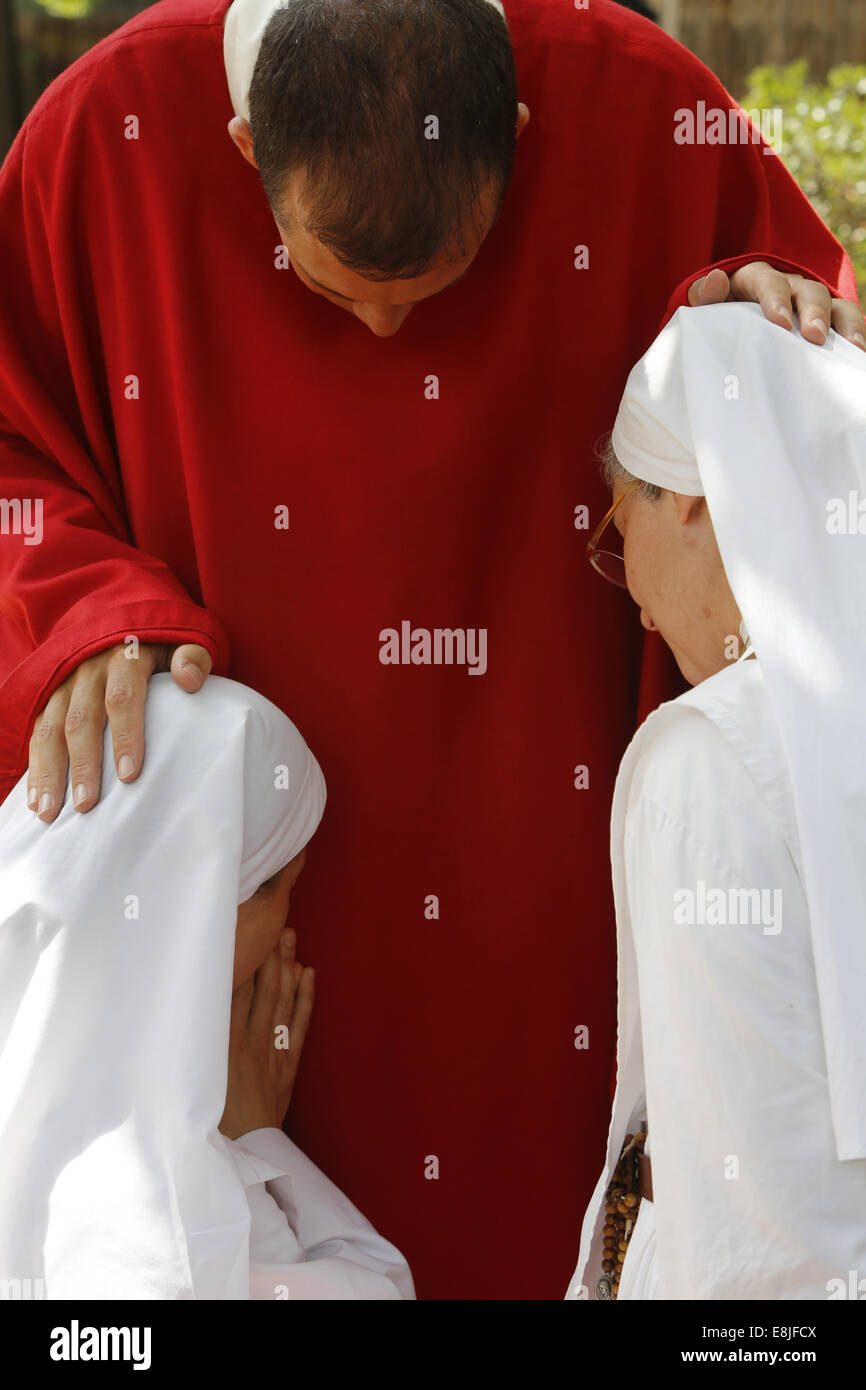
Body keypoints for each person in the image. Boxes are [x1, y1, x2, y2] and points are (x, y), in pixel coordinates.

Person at [1, 0, 864, 1298]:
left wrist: (759, 336)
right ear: (239, 143)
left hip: (563, 866)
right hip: (259, 891)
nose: (391, 337)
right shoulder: (99, 134)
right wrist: (77, 611)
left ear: (519, 132)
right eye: (342, 289)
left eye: (432, 287)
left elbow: (807, 421)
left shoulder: (635, 100)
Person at [568, 300, 866, 1300]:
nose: (633, 596)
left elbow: (758, 1247)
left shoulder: (714, 760)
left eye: (619, 527)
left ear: (689, 497)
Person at [0, 674, 414, 1300]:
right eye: (286, 886)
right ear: (214, 912)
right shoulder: (181, 1206)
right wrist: (257, 1135)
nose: (291, 925)